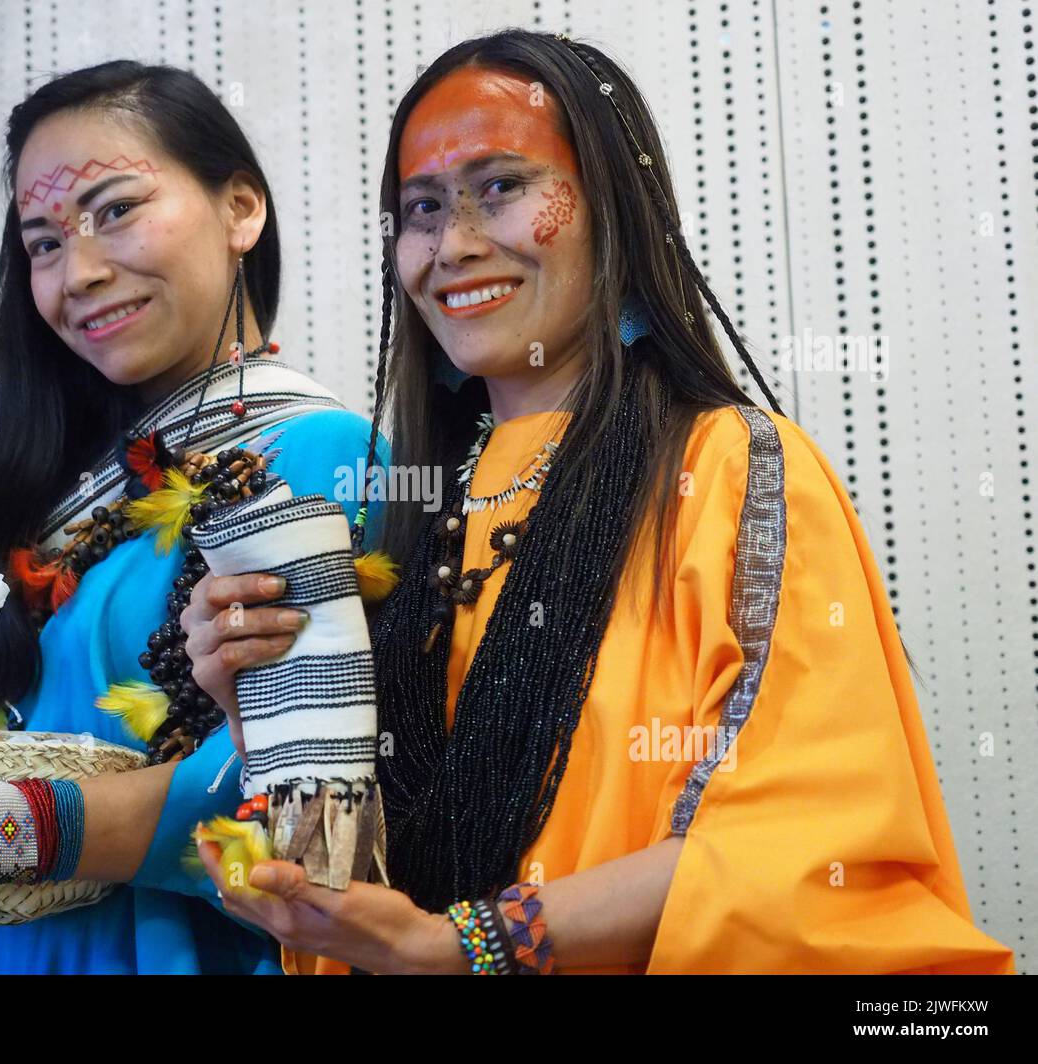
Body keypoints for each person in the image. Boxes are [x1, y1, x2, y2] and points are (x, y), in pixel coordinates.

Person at [180, 30, 1016, 975]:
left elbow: (793, 845)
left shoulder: (722, 467)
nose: (452, 244)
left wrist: (465, 948)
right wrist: (273, 708)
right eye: (422, 208)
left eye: (500, 187)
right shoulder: (405, 519)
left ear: (612, 210)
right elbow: (369, 877)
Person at [0, 60, 384, 974]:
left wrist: (0, 829)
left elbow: (314, 814)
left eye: (117, 210)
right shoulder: (52, 501)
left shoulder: (315, 458)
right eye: (43, 243)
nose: (78, 271)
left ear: (242, 209)